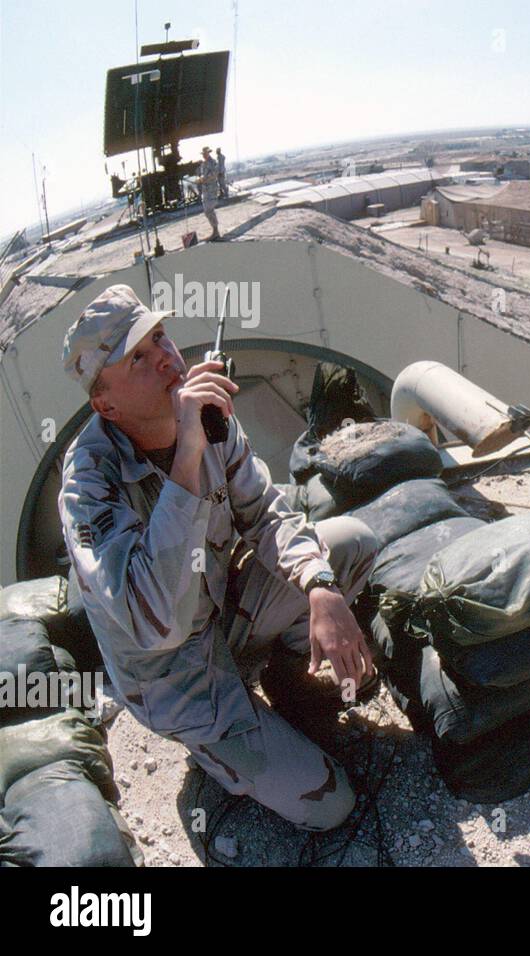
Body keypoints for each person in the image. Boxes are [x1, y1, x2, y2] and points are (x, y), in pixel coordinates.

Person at [58, 284, 379, 831]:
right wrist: (187, 453)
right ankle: (218, 750)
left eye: (159, 336)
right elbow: (157, 621)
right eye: (137, 357)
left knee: (348, 545)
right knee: (330, 804)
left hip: (222, 612)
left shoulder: (212, 419)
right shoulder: (88, 482)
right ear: (105, 404)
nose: (164, 355)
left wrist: (321, 587)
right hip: (175, 675)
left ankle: (288, 681)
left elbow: (267, 513)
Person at [197, 146, 221, 241]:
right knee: (207, 211)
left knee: (209, 210)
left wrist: (204, 179)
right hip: (206, 190)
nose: (203, 155)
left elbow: (215, 174)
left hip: (211, 190)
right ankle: (215, 231)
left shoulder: (213, 162)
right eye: (203, 154)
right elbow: (203, 174)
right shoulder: (204, 164)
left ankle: (215, 231)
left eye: (205, 153)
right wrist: (200, 179)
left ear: (208, 153)